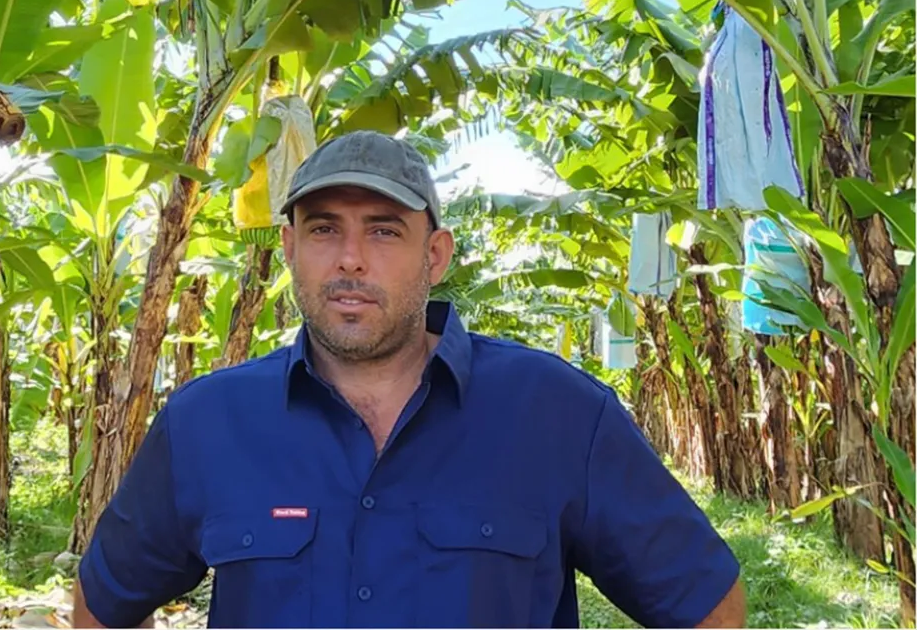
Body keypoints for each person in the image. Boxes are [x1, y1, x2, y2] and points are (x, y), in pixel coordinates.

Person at [74, 131, 745, 629]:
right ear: (290, 249)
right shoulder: (209, 423)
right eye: (324, 229)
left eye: (385, 232)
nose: (350, 259)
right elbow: (104, 604)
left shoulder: (557, 414)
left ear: (436, 254)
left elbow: (707, 605)